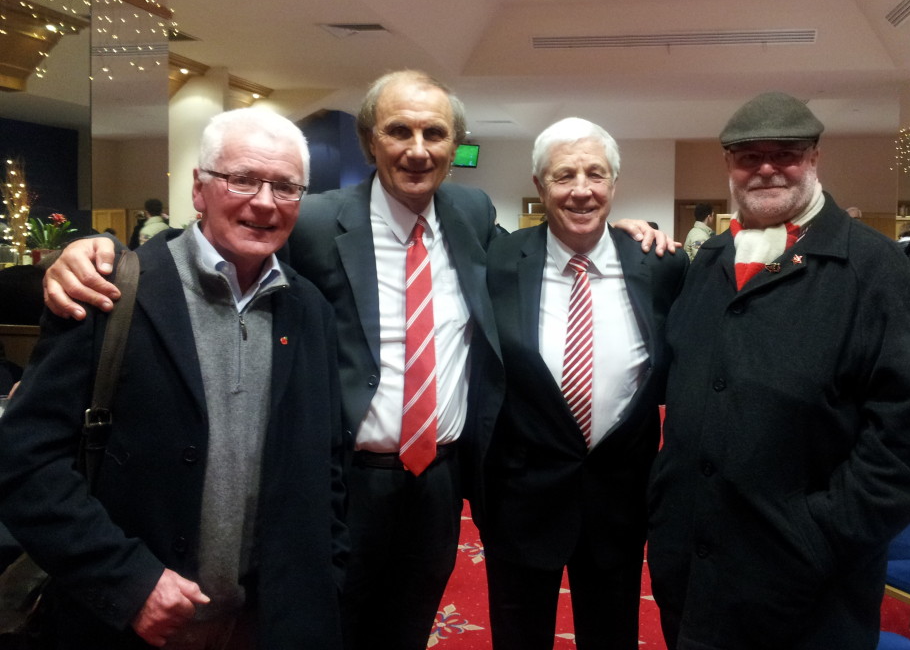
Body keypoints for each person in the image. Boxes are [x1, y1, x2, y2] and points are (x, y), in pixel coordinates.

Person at [40, 70, 670, 650]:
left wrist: (625, 232)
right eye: (399, 131)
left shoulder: (473, 215)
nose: (417, 149)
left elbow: (555, 247)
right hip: (343, 479)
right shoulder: (311, 219)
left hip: (441, 482)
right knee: (328, 625)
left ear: (454, 147)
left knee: (409, 623)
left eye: (434, 133)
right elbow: (220, 240)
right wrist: (91, 249)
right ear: (370, 141)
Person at [0, 109, 347, 649]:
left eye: (285, 186)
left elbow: (325, 471)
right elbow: (23, 463)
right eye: (242, 179)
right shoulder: (107, 294)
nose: (263, 201)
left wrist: (325, 584)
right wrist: (127, 581)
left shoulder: (311, 313)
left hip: (269, 624)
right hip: (127, 623)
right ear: (199, 189)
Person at [647, 91, 910, 650]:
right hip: (693, 571)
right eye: (748, 156)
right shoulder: (709, 262)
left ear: (813, 158)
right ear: (728, 165)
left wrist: (820, 535)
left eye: (785, 153)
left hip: (807, 584)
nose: (766, 168)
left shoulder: (874, 268)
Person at [480, 119, 686, 650]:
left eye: (596, 174)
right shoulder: (495, 261)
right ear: (539, 184)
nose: (581, 189)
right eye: (563, 175)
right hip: (520, 498)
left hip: (619, 500)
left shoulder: (660, 264)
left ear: (614, 184)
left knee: (612, 635)